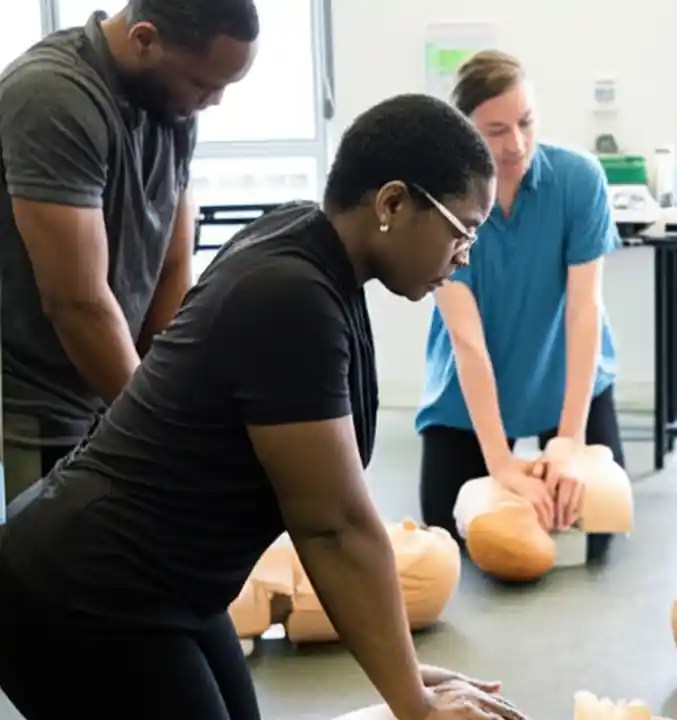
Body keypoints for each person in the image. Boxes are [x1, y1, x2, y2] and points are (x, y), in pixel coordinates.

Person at [0, 93, 528, 720]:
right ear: (392, 203)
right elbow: (331, 526)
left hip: (167, 585)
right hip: (84, 593)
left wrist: (403, 675)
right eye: (463, 230)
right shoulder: (292, 295)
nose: (464, 255)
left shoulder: (310, 251)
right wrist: (410, 700)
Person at [0, 0, 259, 512]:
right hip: (29, 407)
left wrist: (167, 392)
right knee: (41, 581)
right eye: (205, 84)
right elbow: (76, 300)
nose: (215, 102)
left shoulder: (172, 103)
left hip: (101, 395)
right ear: (144, 39)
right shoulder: (52, 96)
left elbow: (171, 264)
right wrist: (160, 430)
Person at [416, 50, 625, 556]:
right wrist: (501, 464)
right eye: (495, 130)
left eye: (526, 123)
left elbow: (583, 312)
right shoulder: (439, 203)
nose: (516, 144)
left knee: (602, 526)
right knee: (451, 531)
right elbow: (467, 343)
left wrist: (569, 443)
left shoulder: (579, 180)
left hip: (564, 376)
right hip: (470, 390)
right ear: (463, 133)